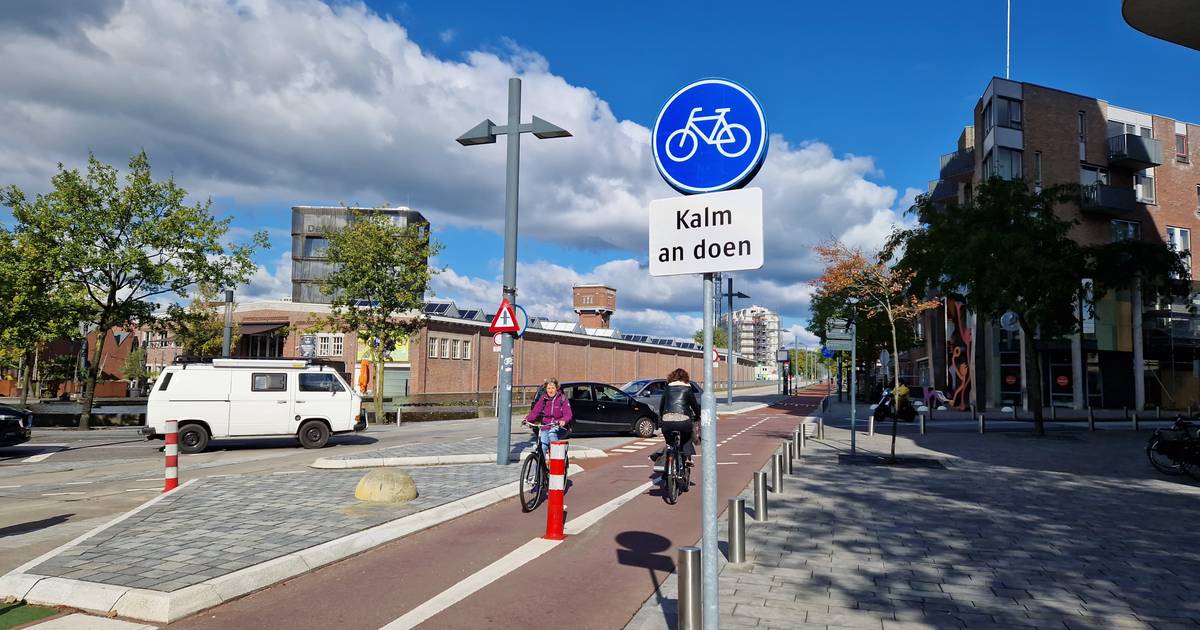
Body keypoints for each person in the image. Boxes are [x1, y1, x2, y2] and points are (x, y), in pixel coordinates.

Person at [654, 368, 701, 468]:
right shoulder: (688, 389)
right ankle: (688, 458)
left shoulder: (667, 389)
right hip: (684, 421)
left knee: (670, 442)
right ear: (685, 378)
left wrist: (660, 420)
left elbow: (662, 406)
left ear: (671, 377)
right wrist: (697, 416)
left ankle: (667, 462)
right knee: (686, 436)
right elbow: (694, 406)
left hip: (667, 422)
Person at [525, 377, 573, 457]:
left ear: (557, 388)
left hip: (560, 427)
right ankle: (541, 468)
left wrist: (563, 421)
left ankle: (556, 457)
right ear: (546, 389)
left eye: (552, 388)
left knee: (552, 433)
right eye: (548, 388)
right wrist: (527, 419)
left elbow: (568, 414)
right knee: (542, 447)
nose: (550, 390)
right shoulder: (544, 398)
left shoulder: (562, 398)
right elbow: (535, 411)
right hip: (546, 427)